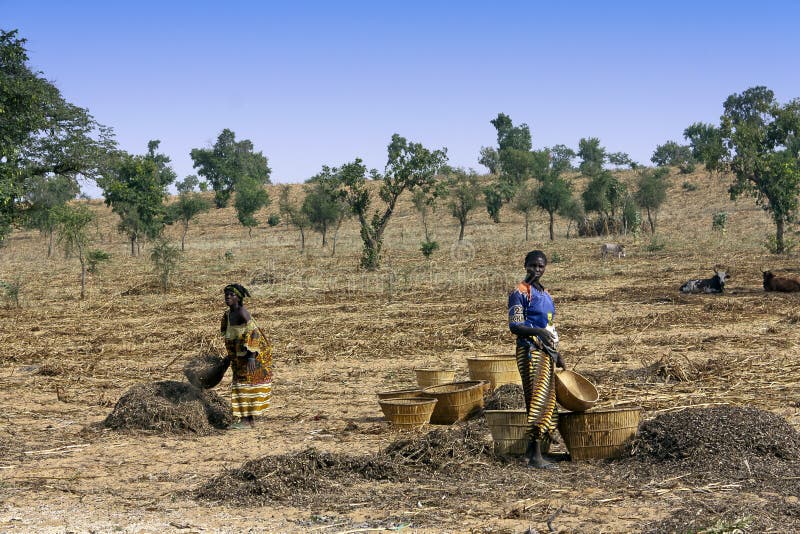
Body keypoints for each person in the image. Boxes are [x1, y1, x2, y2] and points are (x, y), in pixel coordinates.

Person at [508, 250, 566, 468]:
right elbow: (515, 325)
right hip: (530, 351)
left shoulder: (545, 294)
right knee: (537, 400)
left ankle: (532, 452)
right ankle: (535, 457)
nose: (536, 270)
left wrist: (557, 354)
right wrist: (538, 332)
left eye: (541, 266)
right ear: (525, 265)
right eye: (533, 265)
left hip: (546, 352)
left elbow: (549, 327)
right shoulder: (520, 292)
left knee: (546, 400)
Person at [221, 283, 273, 429]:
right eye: (226, 295)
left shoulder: (242, 313)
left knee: (244, 386)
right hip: (238, 358)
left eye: (231, 295)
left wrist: (251, 356)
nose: (228, 297)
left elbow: (254, 333)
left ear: (238, 298)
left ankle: (246, 420)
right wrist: (229, 357)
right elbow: (230, 336)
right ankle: (249, 420)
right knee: (243, 385)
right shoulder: (227, 315)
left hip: (250, 356)